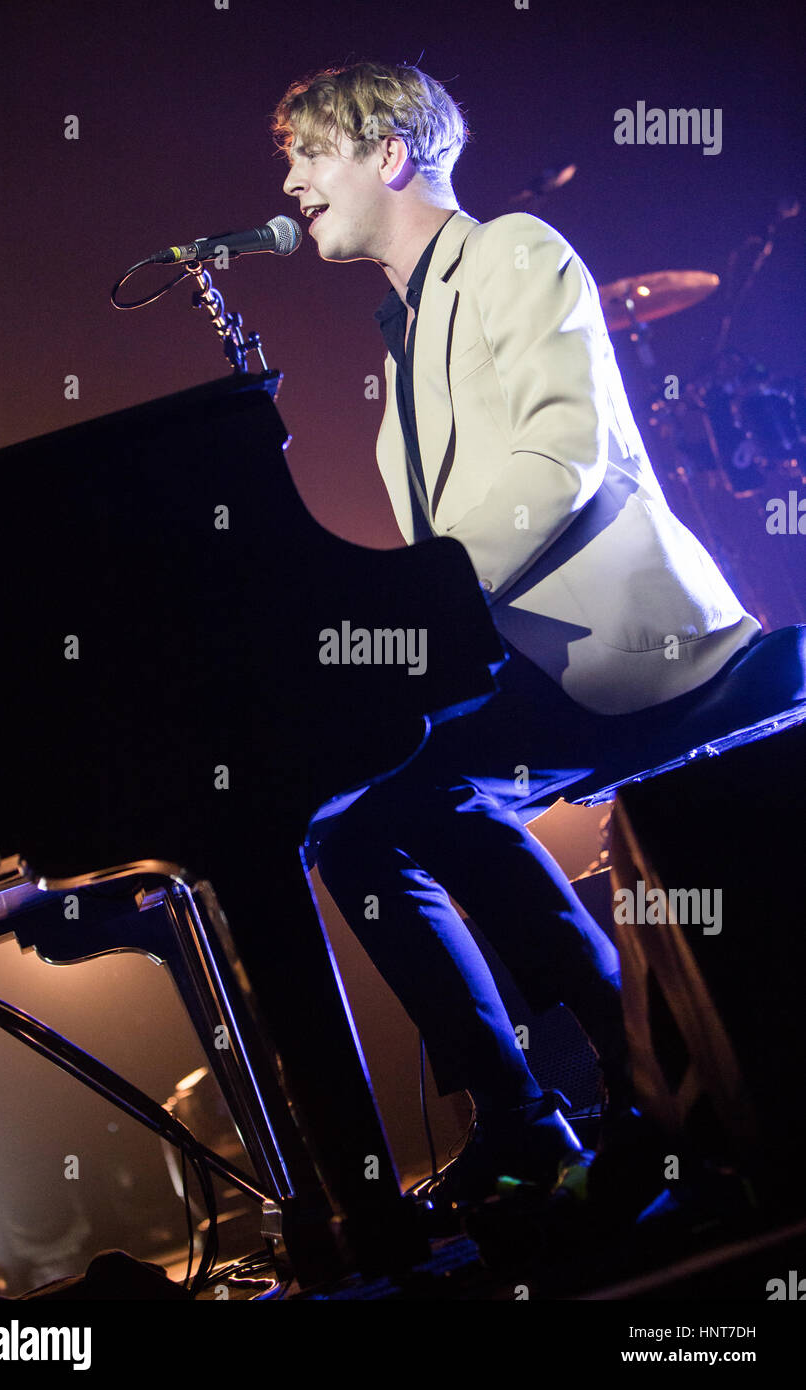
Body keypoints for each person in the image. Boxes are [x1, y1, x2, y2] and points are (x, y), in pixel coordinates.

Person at [271, 61, 762, 1207]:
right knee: (351, 823)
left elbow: (560, 461)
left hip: (630, 647)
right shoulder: (398, 342)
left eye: (307, 153)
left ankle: (636, 1066)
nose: (290, 185)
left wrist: (413, 618)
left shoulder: (513, 251)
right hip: (530, 661)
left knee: (394, 803)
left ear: (388, 151)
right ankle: (537, 1110)